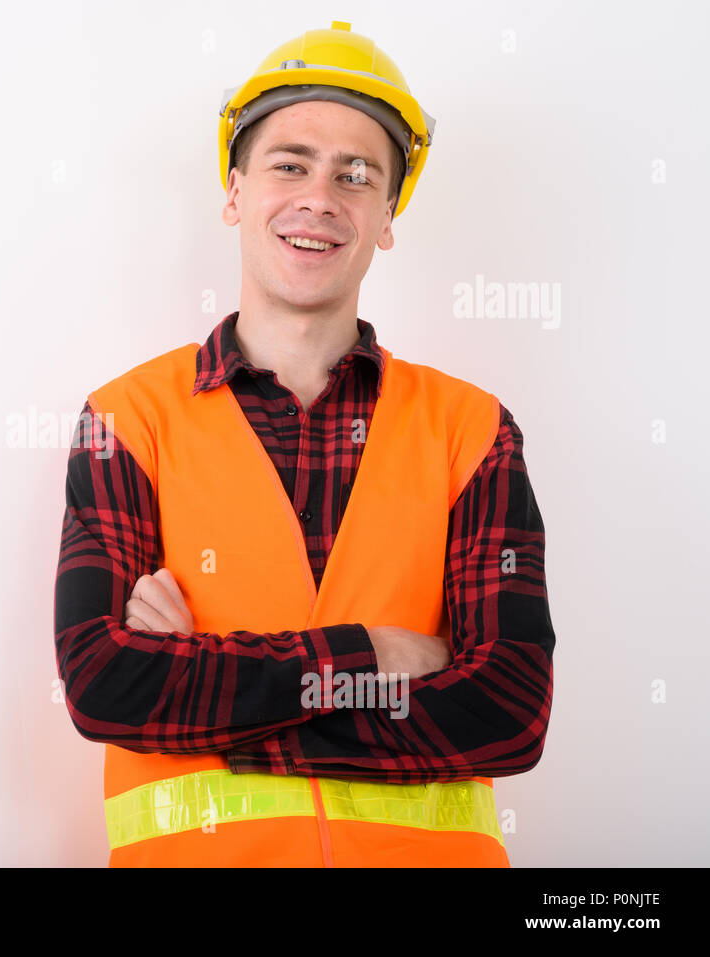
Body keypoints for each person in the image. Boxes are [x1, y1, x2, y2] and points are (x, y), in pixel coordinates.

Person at [52, 21, 555, 867]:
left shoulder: (472, 430)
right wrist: (378, 654)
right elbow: (105, 686)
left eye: (356, 175)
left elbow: (509, 710)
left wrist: (211, 694)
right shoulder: (126, 420)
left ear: (387, 215)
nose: (319, 196)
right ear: (235, 191)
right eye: (290, 163)